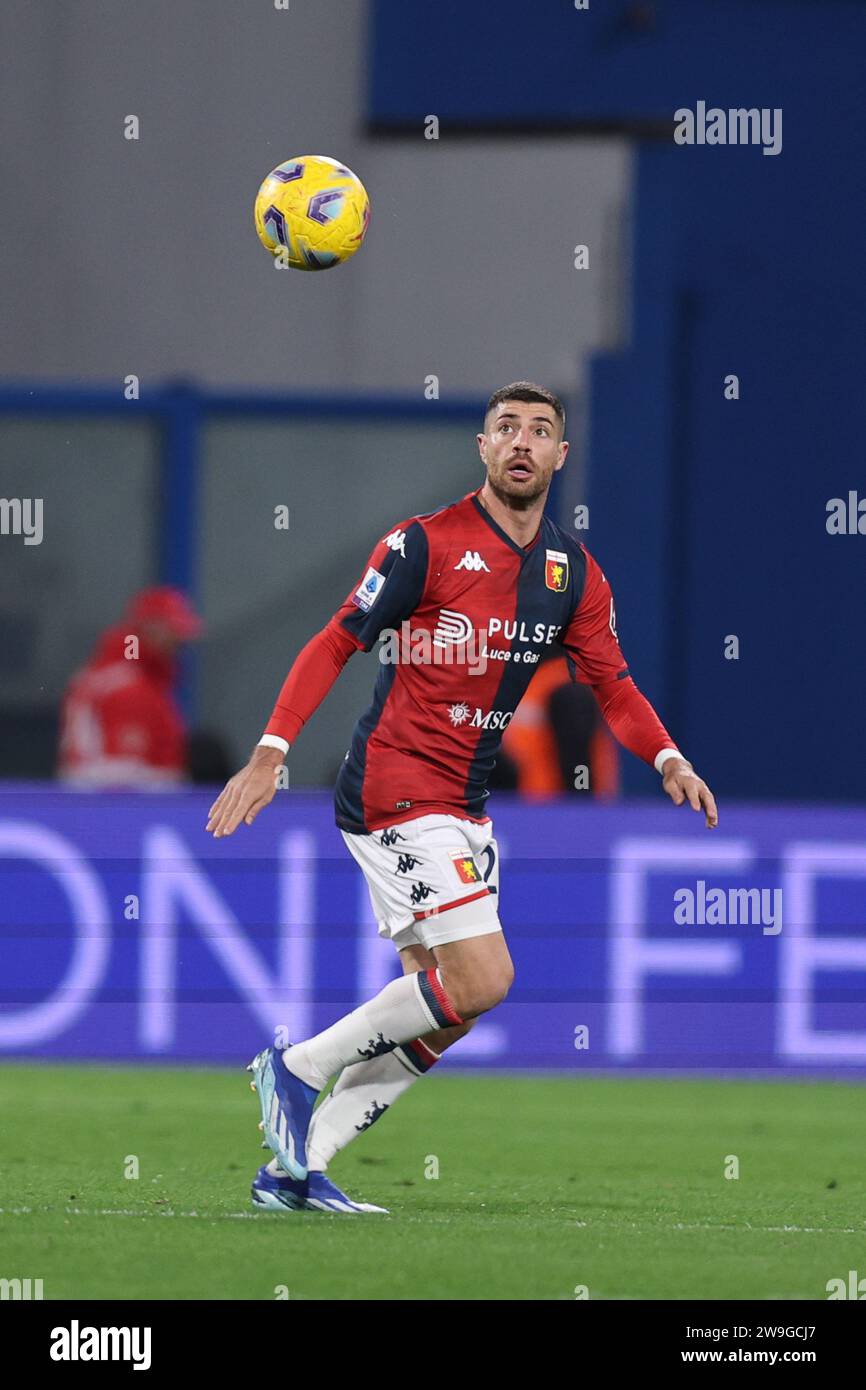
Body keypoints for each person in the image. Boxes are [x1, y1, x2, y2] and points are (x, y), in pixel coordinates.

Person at [206, 381, 717, 1216]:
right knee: (485, 978)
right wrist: (271, 751)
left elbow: (613, 684)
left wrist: (666, 757)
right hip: (394, 785)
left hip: (464, 805)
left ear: (560, 456)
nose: (521, 441)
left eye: (540, 430)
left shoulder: (571, 573)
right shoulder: (422, 545)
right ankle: (295, 1070)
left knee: (444, 1012)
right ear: (483, 449)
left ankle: (297, 1169)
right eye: (505, 427)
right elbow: (337, 638)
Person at [58, 586, 202, 788]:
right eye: (174, 632)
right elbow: (122, 775)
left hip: (107, 801)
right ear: (152, 630)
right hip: (111, 806)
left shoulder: (136, 676)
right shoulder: (127, 686)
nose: (179, 644)